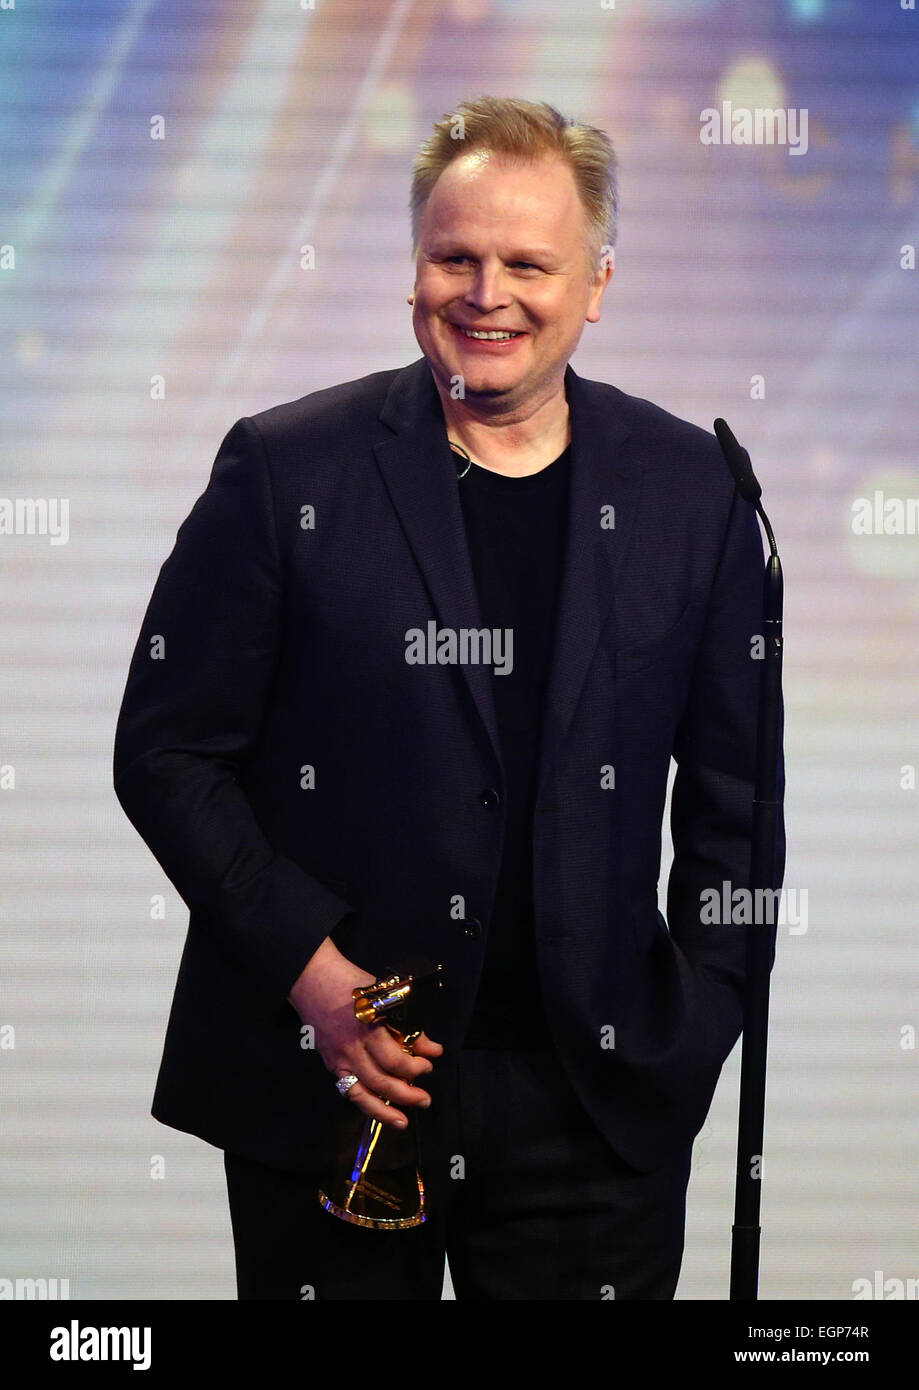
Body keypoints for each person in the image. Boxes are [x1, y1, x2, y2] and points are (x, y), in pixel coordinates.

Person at [113, 95, 785, 1300]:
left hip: (596, 1108)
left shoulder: (696, 490)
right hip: (333, 1083)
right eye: (453, 257)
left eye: (528, 263)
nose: (487, 293)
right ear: (412, 271)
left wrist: (689, 1034)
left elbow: (739, 809)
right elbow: (166, 752)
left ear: (596, 286)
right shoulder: (285, 469)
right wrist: (319, 982)